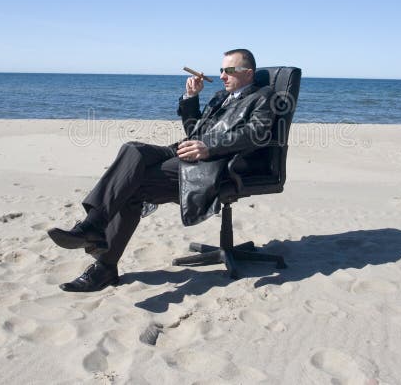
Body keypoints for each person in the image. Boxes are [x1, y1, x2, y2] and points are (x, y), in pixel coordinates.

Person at [47, 49, 275, 292]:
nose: (222, 76)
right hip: (185, 150)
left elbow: (257, 133)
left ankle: (103, 262)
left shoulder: (263, 97)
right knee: (132, 150)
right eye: (221, 70)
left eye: (229, 71)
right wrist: (190, 97)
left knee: (132, 184)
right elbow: (193, 130)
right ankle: (93, 226)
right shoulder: (220, 97)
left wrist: (209, 147)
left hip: (213, 163)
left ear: (248, 73)